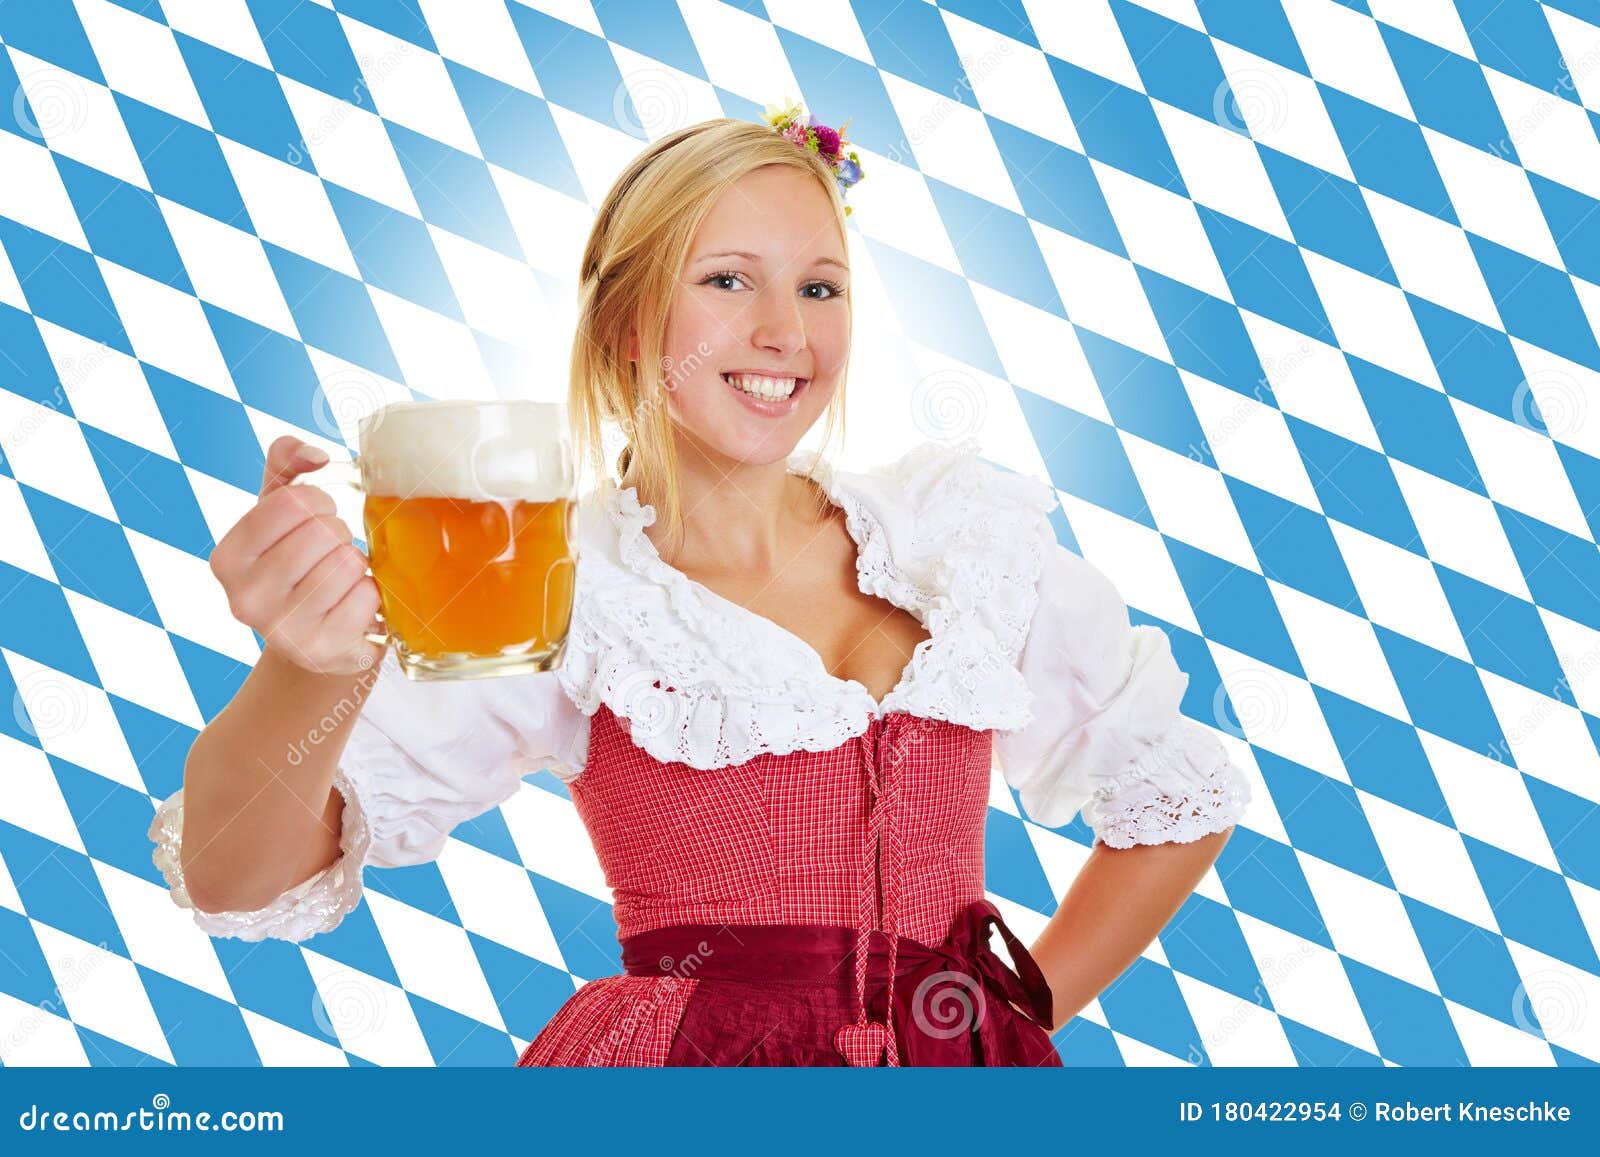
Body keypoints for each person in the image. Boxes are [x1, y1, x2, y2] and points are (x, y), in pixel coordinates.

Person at [150, 102, 1252, 1067]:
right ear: (627, 324)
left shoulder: (955, 539)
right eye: (728, 280)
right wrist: (306, 670)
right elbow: (234, 878)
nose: (785, 332)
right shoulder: (561, 583)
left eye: (819, 287)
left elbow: (1178, 797)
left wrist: (1009, 1021)